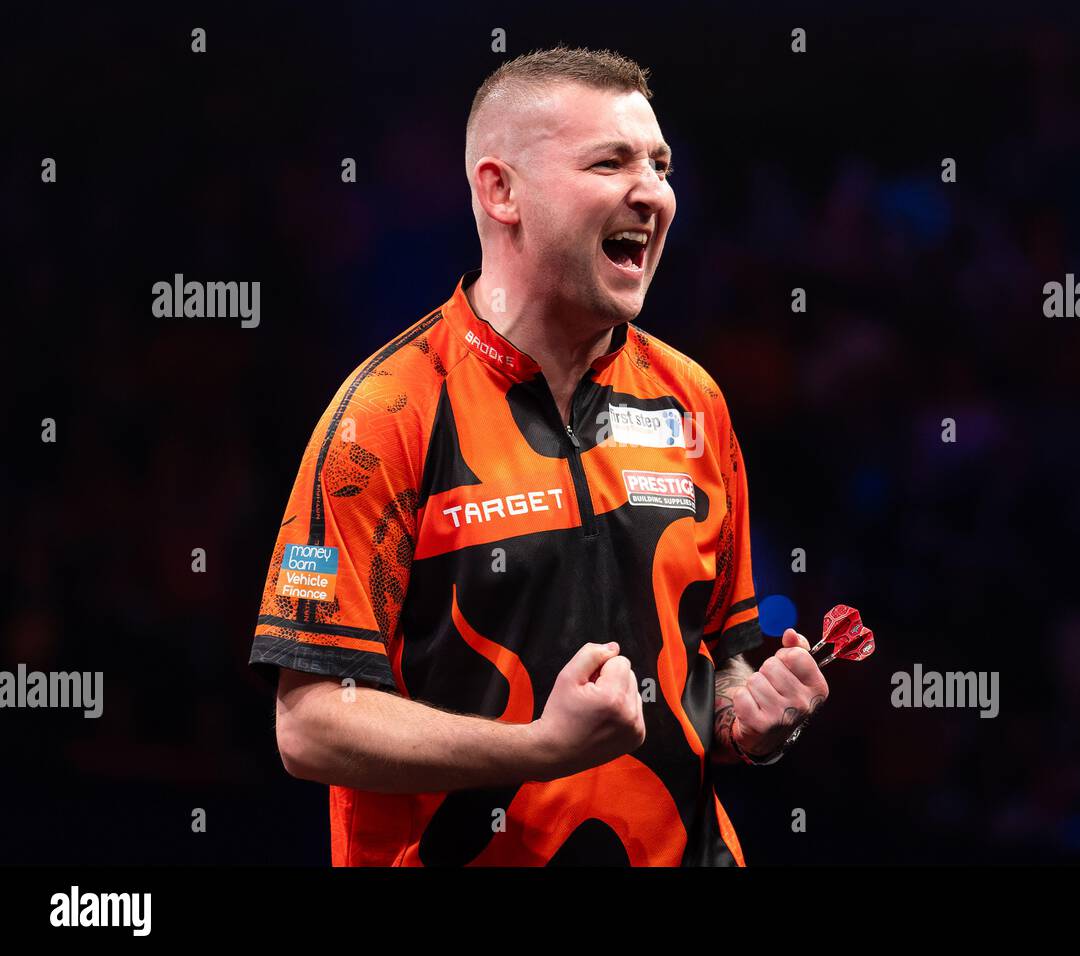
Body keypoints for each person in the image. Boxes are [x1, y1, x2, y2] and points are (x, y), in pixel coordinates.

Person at [249, 45, 828, 866]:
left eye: (660, 165)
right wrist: (540, 747)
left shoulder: (692, 402)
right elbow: (309, 724)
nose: (652, 192)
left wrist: (753, 716)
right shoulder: (389, 411)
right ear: (501, 190)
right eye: (611, 161)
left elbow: (721, 670)